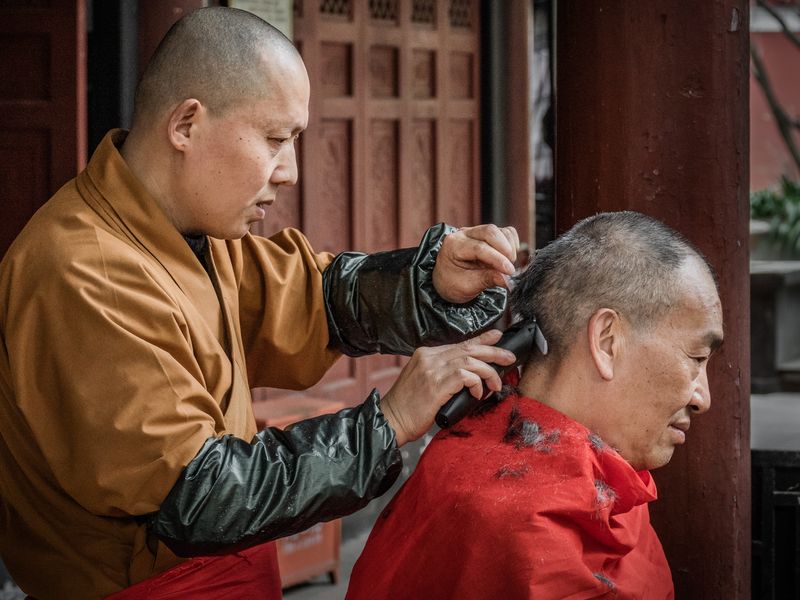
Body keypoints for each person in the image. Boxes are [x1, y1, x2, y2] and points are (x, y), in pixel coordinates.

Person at [0, 7, 521, 598]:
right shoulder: (81, 270)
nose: (290, 171)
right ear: (186, 124)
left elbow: (316, 297)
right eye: (276, 139)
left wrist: (431, 283)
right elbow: (200, 496)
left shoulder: (189, 231)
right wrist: (391, 422)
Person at [346, 211, 724, 600]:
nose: (703, 398)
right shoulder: (522, 527)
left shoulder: (603, 468)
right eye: (696, 358)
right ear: (607, 342)